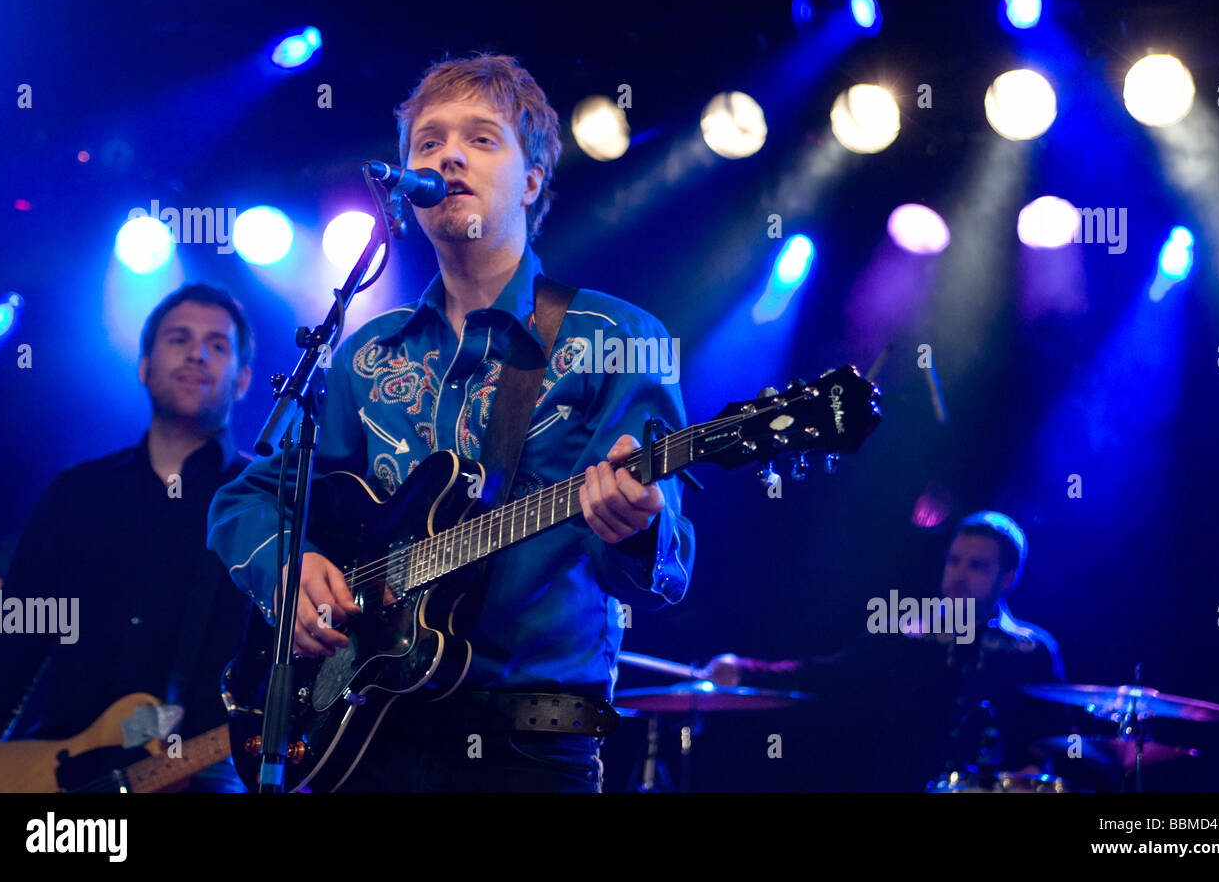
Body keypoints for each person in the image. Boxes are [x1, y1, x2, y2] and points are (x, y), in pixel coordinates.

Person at [208, 53, 696, 793]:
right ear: (405, 187)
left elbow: (668, 559)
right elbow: (245, 499)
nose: (449, 155)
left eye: (482, 139)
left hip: (531, 747)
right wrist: (293, 575)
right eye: (428, 143)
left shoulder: (617, 337)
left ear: (533, 180)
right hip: (364, 728)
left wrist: (638, 526)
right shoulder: (366, 351)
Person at [0, 284, 257, 792]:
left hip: (207, 769)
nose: (197, 353)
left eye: (217, 345)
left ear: (242, 380)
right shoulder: (77, 493)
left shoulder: (267, 499)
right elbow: (8, 650)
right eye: (179, 339)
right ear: (144, 366)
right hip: (61, 770)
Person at [703, 511, 1068, 790]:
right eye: (953, 561)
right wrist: (745, 669)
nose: (958, 575)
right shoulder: (905, 632)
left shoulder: (1031, 651)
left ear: (1008, 578)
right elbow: (828, 673)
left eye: (977, 566)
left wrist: (1033, 773)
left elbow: (1051, 741)